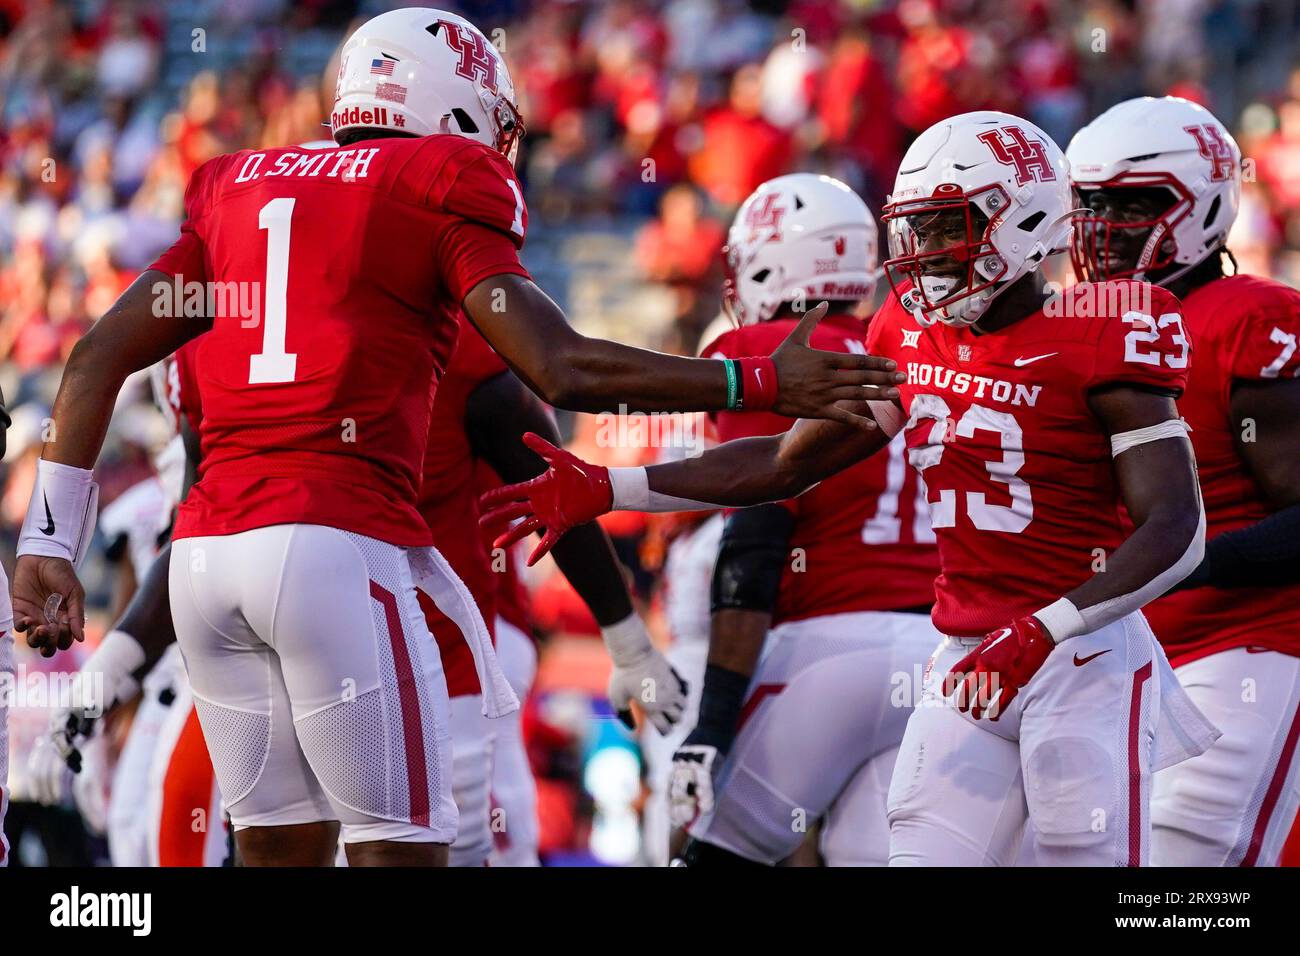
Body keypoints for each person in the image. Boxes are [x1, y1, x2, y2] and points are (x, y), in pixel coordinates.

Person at [10, 8, 897, 868]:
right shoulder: (436, 180)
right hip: (337, 548)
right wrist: (758, 379)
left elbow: (92, 359)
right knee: (405, 853)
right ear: (451, 106)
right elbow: (564, 369)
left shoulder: (234, 182)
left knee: (277, 854)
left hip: (206, 564)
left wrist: (49, 544)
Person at [483, 111, 1221, 866]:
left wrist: (1046, 629)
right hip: (962, 651)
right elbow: (786, 463)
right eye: (919, 230)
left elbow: (1176, 529)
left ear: (1026, 220)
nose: (927, 253)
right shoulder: (909, 328)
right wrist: (615, 487)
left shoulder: (1105, 327)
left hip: (1082, 656)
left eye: (946, 228)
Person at [667, 173, 941, 867]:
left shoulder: (769, 351)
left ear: (769, 261)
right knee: (863, 852)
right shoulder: (911, 345)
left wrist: (714, 719)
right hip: (941, 656)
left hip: (826, 650)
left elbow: (755, 538)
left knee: (711, 848)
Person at [1069, 95, 1300, 866]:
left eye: (1132, 205)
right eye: (1090, 206)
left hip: (1249, 649)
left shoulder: (1249, 317)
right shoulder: (1073, 327)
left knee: (1184, 876)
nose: (1105, 227)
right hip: (1120, 663)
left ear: (1201, 204)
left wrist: (1180, 562)